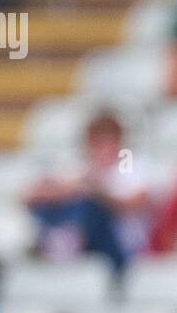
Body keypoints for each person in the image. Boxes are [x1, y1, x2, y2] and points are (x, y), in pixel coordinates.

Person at [26, 112, 157, 271]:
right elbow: (31, 197)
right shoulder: (84, 167)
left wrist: (96, 191)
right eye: (98, 143)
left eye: (108, 142)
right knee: (52, 206)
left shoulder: (133, 166)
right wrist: (74, 188)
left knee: (89, 205)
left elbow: (135, 203)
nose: (104, 149)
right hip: (90, 240)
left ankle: (64, 243)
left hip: (122, 244)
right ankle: (61, 241)